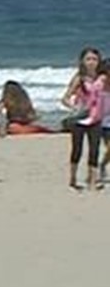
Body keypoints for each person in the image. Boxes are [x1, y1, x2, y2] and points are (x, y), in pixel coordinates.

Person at [62, 47, 104, 191]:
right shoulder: (79, 78)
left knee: (95, 150)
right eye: (88, 59)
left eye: (94, 59)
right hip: (79, 120)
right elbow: (65, 98)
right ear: (82, 61)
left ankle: (92, 180)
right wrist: (74, 108)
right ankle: (73, 178)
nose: (91, 62)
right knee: (77, 149)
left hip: (96, 119)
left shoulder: (103, 78)